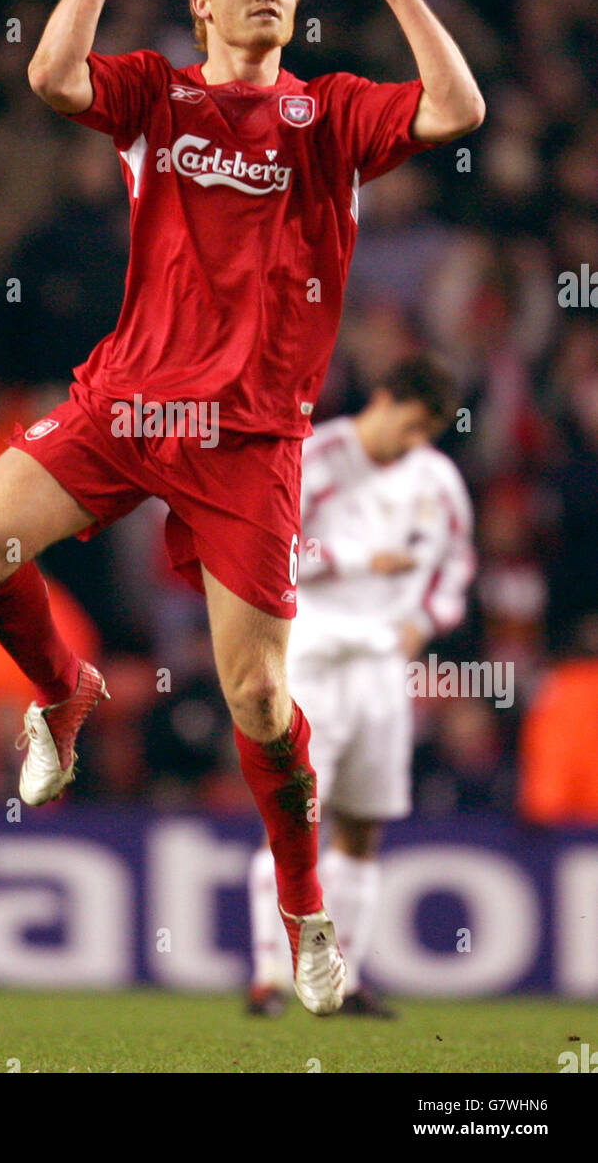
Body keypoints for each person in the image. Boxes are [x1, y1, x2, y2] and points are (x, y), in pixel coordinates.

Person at [0, 0, 484, 1015]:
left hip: (249, 438)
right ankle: (62, 693)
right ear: (202, 0)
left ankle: (304, 917)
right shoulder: (157, 93)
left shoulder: (326, 114)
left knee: (255, 702)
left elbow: (456, 106)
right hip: (131, 401)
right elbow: (51, 76)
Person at [247, 357, 475, 1017]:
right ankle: (269, 974)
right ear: (384, 398)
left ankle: (343, 979)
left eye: (427, 432)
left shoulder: (436, 479)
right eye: (411, 426)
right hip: (312, 655)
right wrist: (355, 560)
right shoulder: (318, 459)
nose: (416, 443)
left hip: (381, 666)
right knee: (295, 818)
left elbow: (457, 564)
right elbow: (273, 548)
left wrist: (424, 621)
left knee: (365, 824)